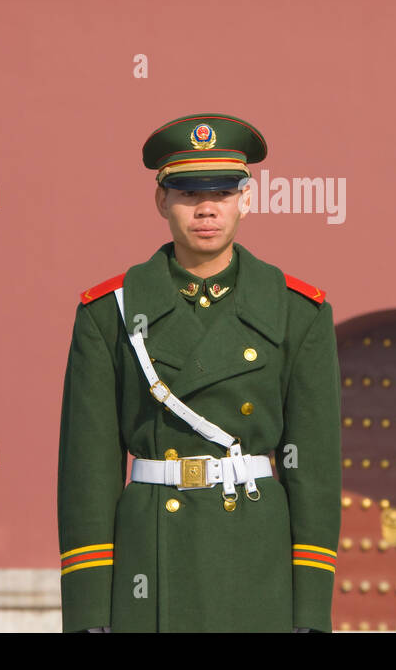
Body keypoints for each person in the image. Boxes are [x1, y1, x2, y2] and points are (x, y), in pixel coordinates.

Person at [58, 113, 342, 632]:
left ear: (246, 199)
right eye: (187, 192)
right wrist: (89, 611)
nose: (206, 208)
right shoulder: (110, 313)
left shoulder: (298, 312)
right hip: (150, 562)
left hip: (258, 562)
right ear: (161, 200)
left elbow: (315, 473)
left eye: (223, 191)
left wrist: (311, 611)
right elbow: (88, 472)